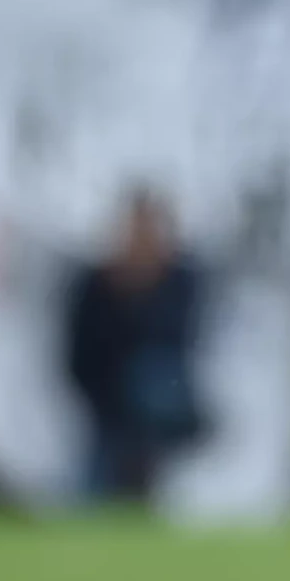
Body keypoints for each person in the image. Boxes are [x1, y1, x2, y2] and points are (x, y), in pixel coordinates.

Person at [63, 189, 209, 504]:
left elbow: (182, 343)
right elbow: (80, 353)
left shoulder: (182, 281)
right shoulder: (96, 283)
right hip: (106, 408)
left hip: (159, 412)